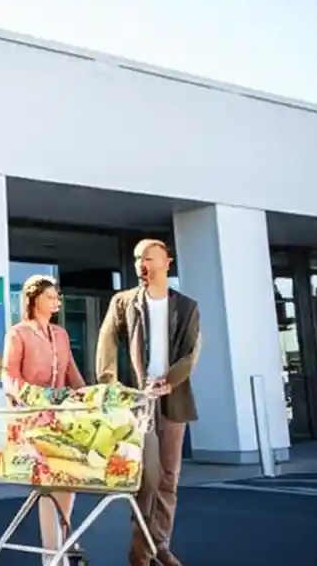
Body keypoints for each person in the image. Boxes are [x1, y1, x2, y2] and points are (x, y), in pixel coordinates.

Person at [94, 239, 202, 566]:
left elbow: (191, 351)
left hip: (173, 397)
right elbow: (107, 341)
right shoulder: (124, 301)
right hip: (137, 401)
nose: (143, 264)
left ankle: (160, 546)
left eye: (150, 258)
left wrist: (171, 379)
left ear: (167, 262)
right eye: (139, 258)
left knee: (169, 477)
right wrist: (110, 383)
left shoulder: (186, 306)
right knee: (147, 477)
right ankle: (141, 551)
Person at [2, 274, 86, 565]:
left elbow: (72, 373)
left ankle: (61, 541)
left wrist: (90, 395)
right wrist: (27, 397)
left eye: (57, 297)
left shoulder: (60, 334)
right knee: (50, 484)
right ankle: (52, 554)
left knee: (68, 480)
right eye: (51, 297)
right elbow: (9, 375)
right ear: (35, 299)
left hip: (63, 418)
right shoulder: (18, 333)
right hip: (33, 419)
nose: (56, 302)